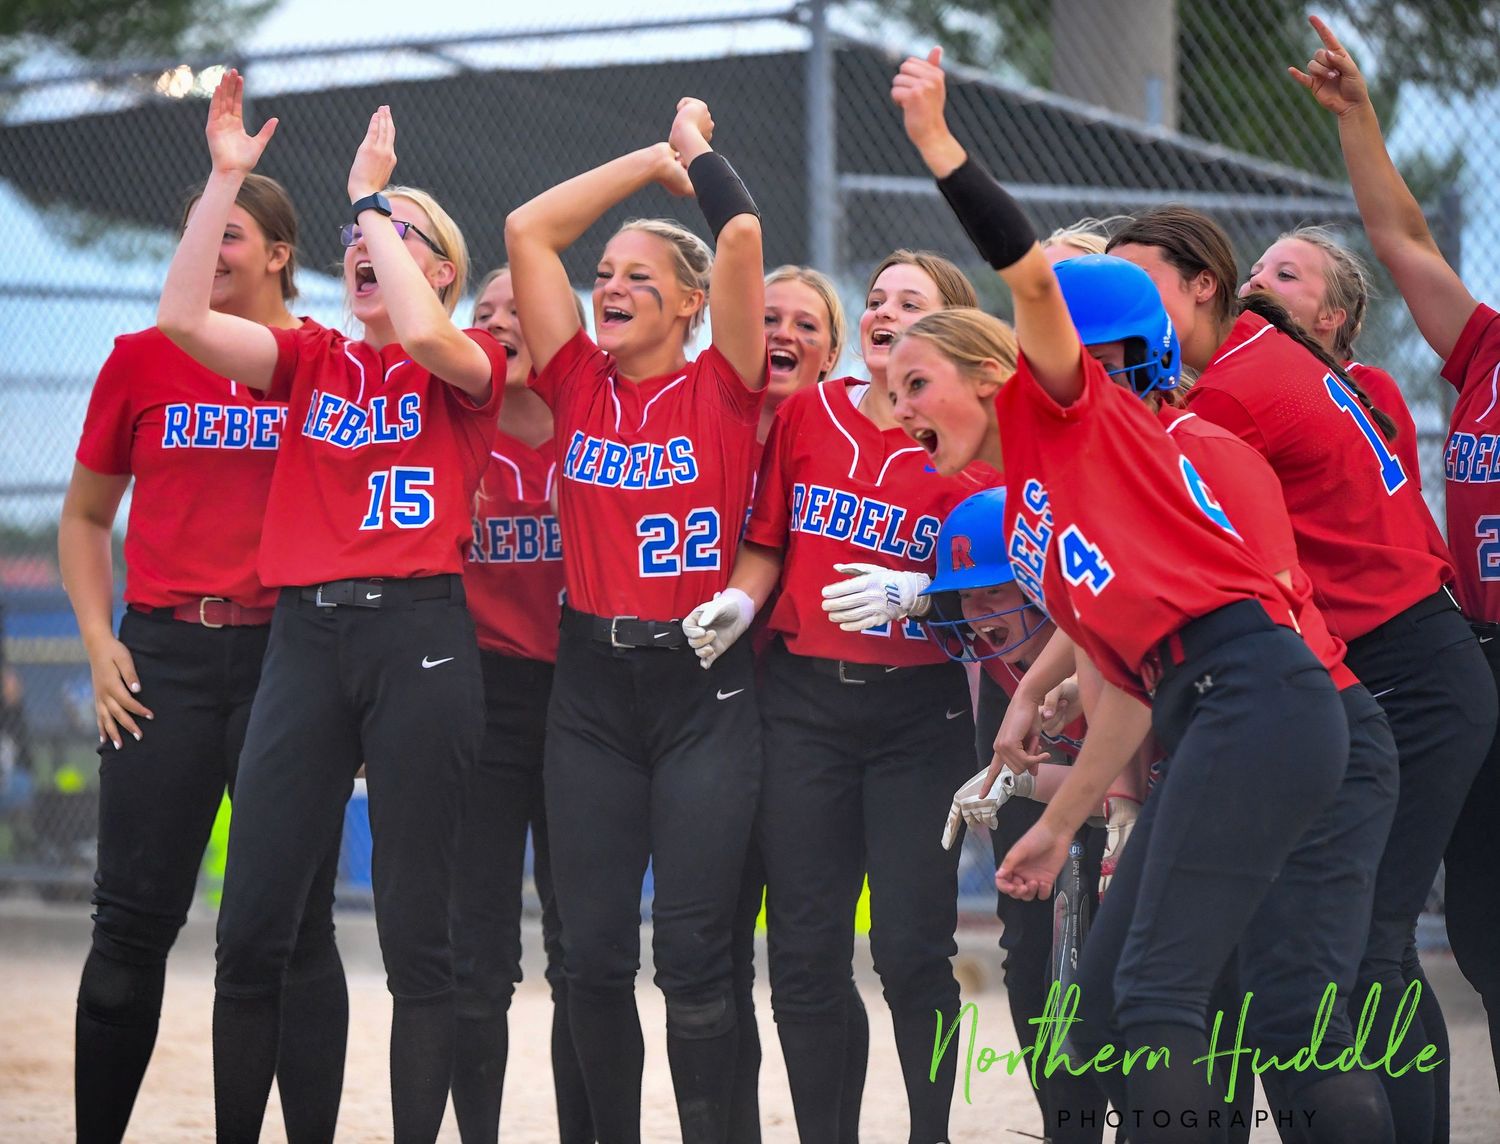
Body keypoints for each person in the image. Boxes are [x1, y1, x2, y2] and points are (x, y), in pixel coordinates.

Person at [885, 47, 1388, 1143]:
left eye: (916, 382)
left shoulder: (1076, 415)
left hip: (1263, 697)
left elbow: (1028, 277)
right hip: (1215, 704)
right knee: (1110, 1004)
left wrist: (938, 144)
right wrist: (1061, 823)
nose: (900, 409)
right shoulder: (1046, 510)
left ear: (1001, 371)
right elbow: (1125, 687)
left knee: (1178, 1002)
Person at [156, 73, 505, 1142]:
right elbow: (182, 318)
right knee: (250, 927)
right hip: (306, 637)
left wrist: (368, 199)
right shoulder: (312, 358)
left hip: (419, 636)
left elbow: (432, 339)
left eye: (395, 235)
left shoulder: (468, 362)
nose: (365, 243)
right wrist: (225, 182)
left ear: (437, 272)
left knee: (416, 939)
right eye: (358, 234)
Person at [1106, 197, 1496, 1142]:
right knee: (1338, 955)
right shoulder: (1253, 359)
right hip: (1389, 668)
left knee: (1361, 953)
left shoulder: (1229, 392)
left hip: (1406, 675)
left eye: (1135, 280)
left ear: (1202, 287)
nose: (1116, 305)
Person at [59, 171, 347, 1144]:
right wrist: (99, 642)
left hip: (289, 659)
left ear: (279, 254)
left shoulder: (324, 362)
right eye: (195, 231)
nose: (206, 249)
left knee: (296, 931)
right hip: (162, 663)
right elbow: (86, 517)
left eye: (227, 233)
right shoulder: (142, 359)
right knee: (129, 925)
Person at [504, 97, 767, 1142]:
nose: (609, 288)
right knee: (591, 955)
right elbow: (529, 231)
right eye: (604, 274)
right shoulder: (577, 381)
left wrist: (693, 154)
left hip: (701, 686)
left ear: (692, 304)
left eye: (639, 278)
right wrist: (644, 161)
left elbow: (739, 233)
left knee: (696, 955)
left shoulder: (726, 387)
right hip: (591, 690)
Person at [685, 246, 990, 1143]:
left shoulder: (975, 439)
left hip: (919, 712)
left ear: (951, 329)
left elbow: (1010, 584)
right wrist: (742, 601)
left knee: (911, 950)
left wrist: (927, 595)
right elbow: (769, 541)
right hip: (804, 707)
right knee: (806, 951)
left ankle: (930, 1134)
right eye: (878, 298)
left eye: (911, 303)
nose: (885, 312)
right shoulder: (811, 413)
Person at [1290, 17, 1500, 1096]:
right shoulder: (1487, 351)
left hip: (1456, 665)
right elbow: (1403, 237)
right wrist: (1359, 117)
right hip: (1475, 654)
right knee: (1480, 934)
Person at [726, 263, 869, 1144]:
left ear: (832, 351)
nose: (782, 333)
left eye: (805, 324)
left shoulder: (847, 435)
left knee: (810, 949)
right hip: (703, 710)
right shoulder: (705, 421)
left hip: (805, 710)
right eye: (767, 316)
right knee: (711, 952)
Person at [449, 267, 592, 1143]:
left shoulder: (599, 425)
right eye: (483, 310)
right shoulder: (446, 425)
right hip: (483, 694)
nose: (500, 321)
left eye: (519, 307)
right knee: (477, 956)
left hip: (585, 697)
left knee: (581, 954)